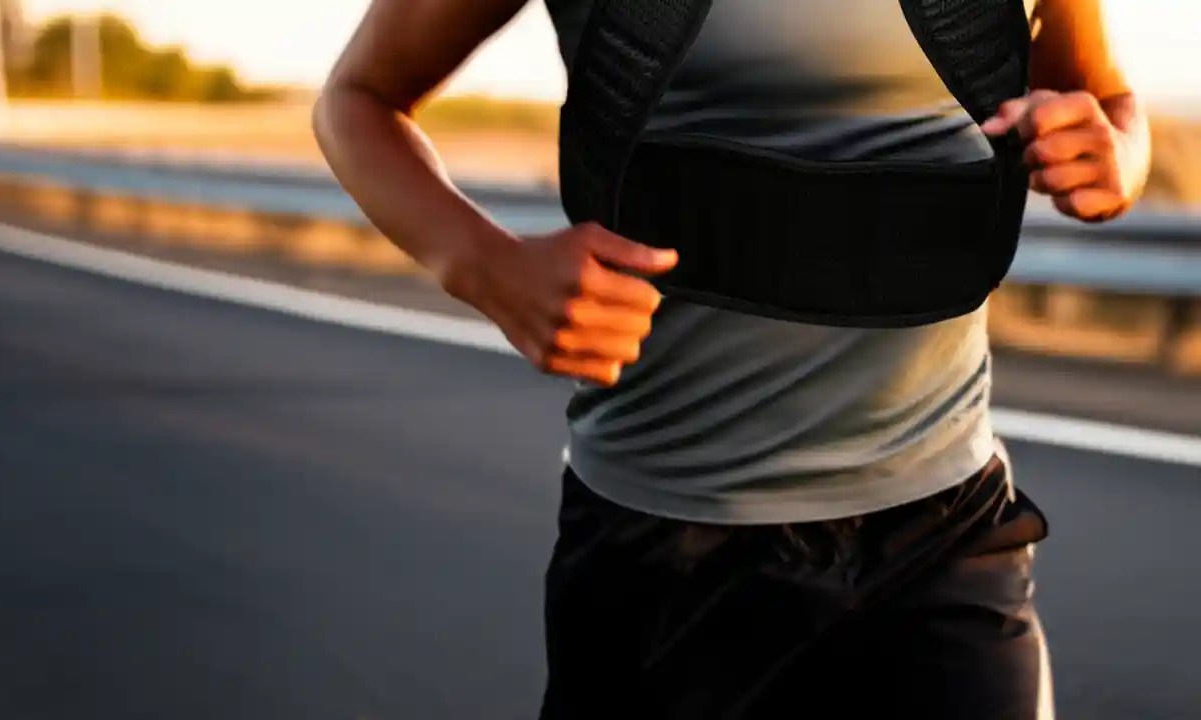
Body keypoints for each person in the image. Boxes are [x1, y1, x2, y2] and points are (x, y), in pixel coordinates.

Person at [313, 0, 1152, 716]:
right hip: (667, 552)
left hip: (945, 531)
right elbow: (357, 100)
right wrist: (486, 266)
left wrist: (1114, 156)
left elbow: (1106, 99)